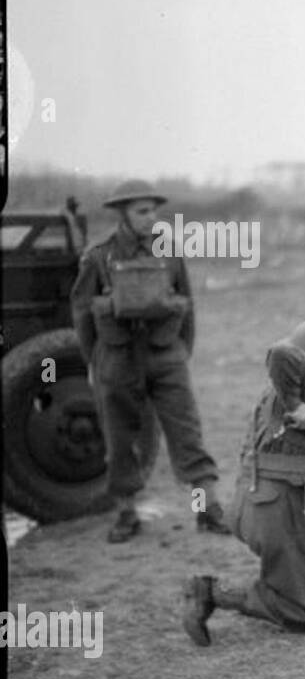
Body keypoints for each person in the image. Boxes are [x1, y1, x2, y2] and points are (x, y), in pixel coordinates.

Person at [181, 318, 305, 646]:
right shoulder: (292, 394)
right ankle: (211, 592)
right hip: (272, 506)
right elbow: (281, 352)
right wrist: (297, 405)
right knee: (299, 617)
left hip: (295, 501)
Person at [70, 179, 230, 542]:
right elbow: (82, 314)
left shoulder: (169, 253)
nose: (150, 217)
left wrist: (178, 353)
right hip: (118, 357)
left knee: (188, 434)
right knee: (120, 438)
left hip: (165, 356)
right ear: (123, 214)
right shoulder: (99, 256)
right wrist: (97, 361)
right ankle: (126, 514)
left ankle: (207, 508)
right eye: (142, 211)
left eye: (153, 210)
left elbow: (187, 305)